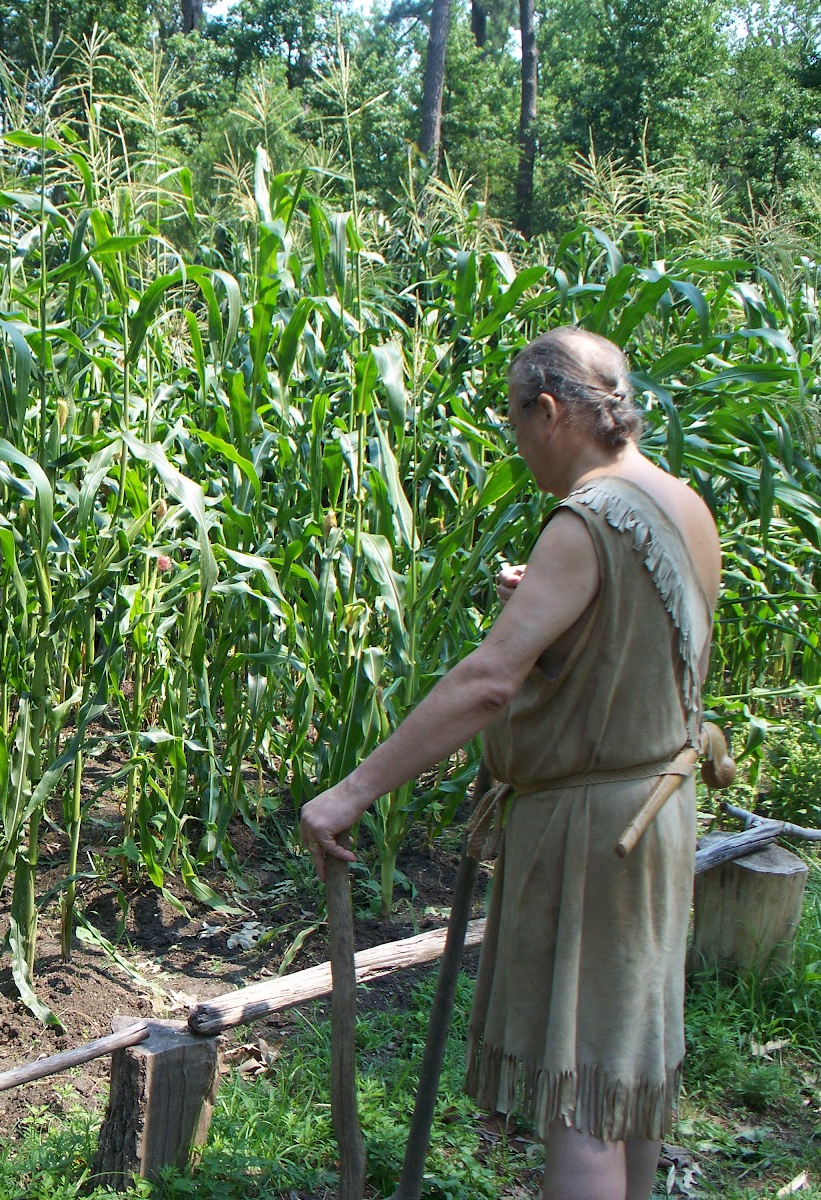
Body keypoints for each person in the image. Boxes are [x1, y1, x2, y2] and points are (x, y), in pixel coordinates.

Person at [298, 327, 720, 1200]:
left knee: (580, 1093)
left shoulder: (588, 518)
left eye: (517, 424)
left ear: (552, 410)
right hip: (659, 815)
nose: (520, 447)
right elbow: (633, 652)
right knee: (624, 1084)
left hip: (595, 834)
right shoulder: (683, 505)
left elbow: (488, 682)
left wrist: (352, 791)